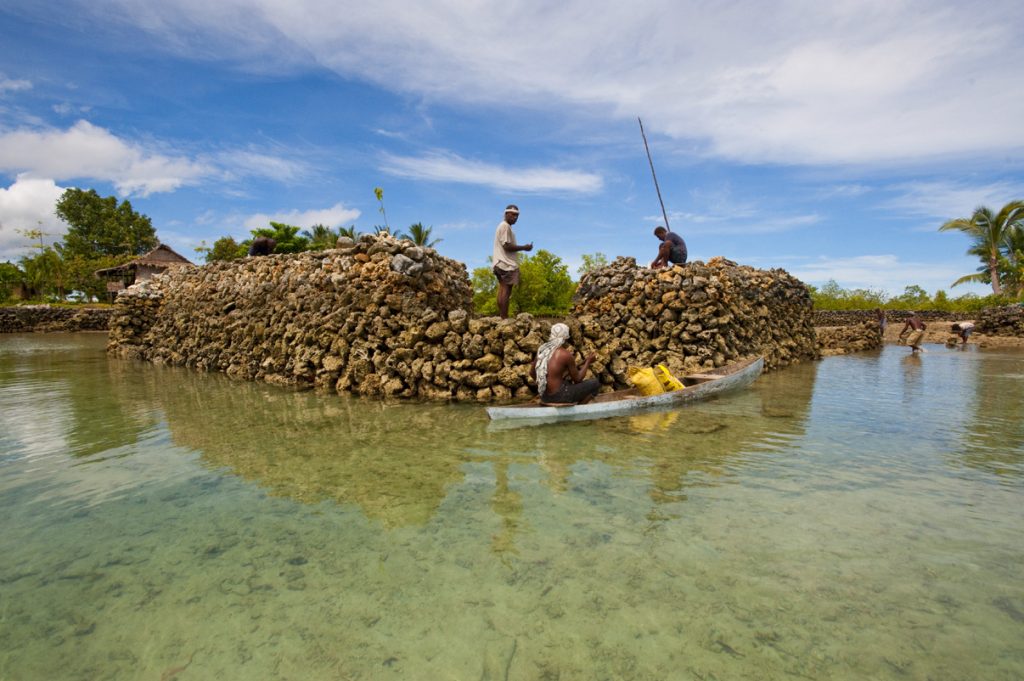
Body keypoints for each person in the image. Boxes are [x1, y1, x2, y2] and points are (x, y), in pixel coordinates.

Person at [530, 323, 600, 405]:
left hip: (544, 396)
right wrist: (588, 361)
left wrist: (543, 385)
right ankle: (579, 408)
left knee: (566, 383)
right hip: (560, 396)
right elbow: (577, 379)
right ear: (565, 337)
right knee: (595, 383)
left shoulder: (542, 351)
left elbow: (532, 373)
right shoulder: (565, 354)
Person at [492, 204, 533, 318]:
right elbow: (507, 246)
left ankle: (502, 317)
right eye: (513, 215)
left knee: (502, 289)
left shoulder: (504, 226)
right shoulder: (505, 226)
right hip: (506, 264)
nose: (515, 217)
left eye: (517, 215)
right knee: (506, 291)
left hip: (499, 262)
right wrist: (524, 247)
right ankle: (504, 319)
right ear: (506, 214)